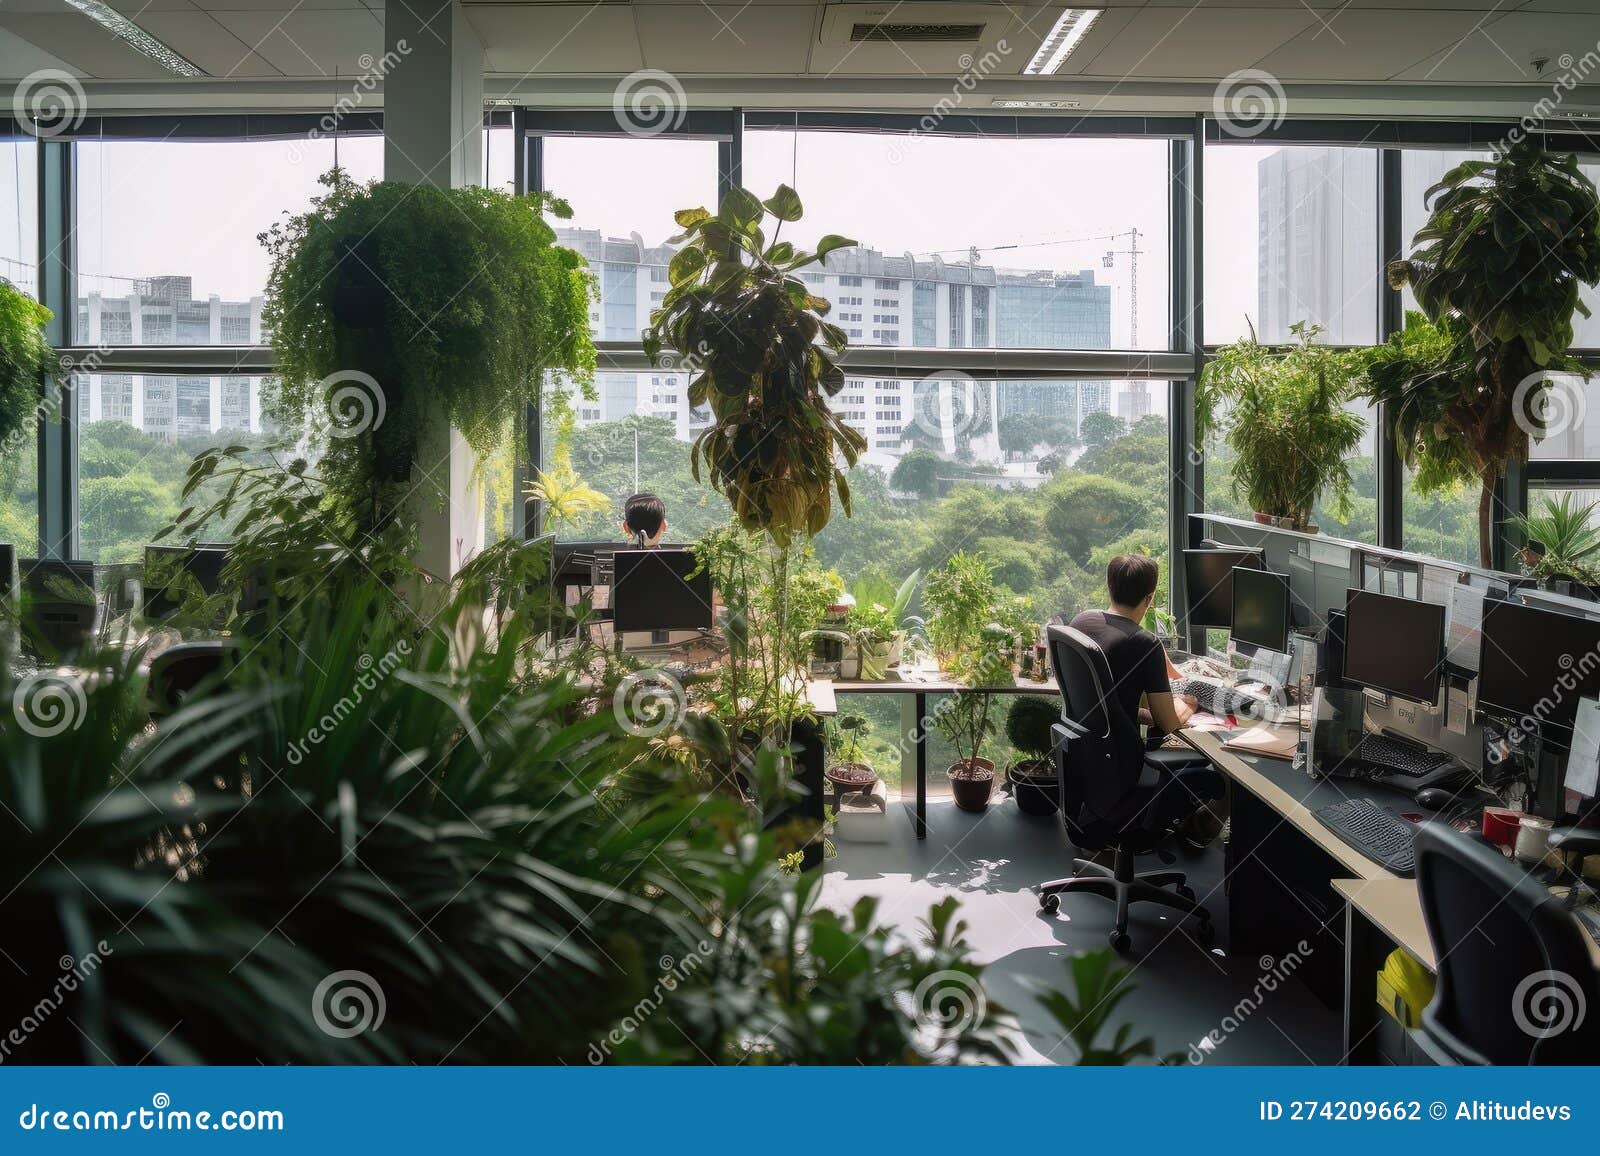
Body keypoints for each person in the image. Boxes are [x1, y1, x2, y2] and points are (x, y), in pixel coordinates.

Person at [1068, 553, 1196, 737]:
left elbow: (1108, 705)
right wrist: (1189, 705)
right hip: (1121, 753)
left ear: (1109, 587)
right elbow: (1167, 724)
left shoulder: (1081, 621)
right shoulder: (1144, 643)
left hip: (1081, 747)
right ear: (1149, 599)